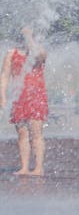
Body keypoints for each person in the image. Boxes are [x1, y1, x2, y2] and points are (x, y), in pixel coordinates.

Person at [0, 28, 48, 176]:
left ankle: (39, 168)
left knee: (36, 133)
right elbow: (5, 76)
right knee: (22, 133)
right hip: (18, 96)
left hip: (36, 96)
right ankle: (24, 167)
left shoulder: (39, 51)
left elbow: (38, 56)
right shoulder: (11, 54)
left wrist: (29, 37)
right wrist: (2, 97)